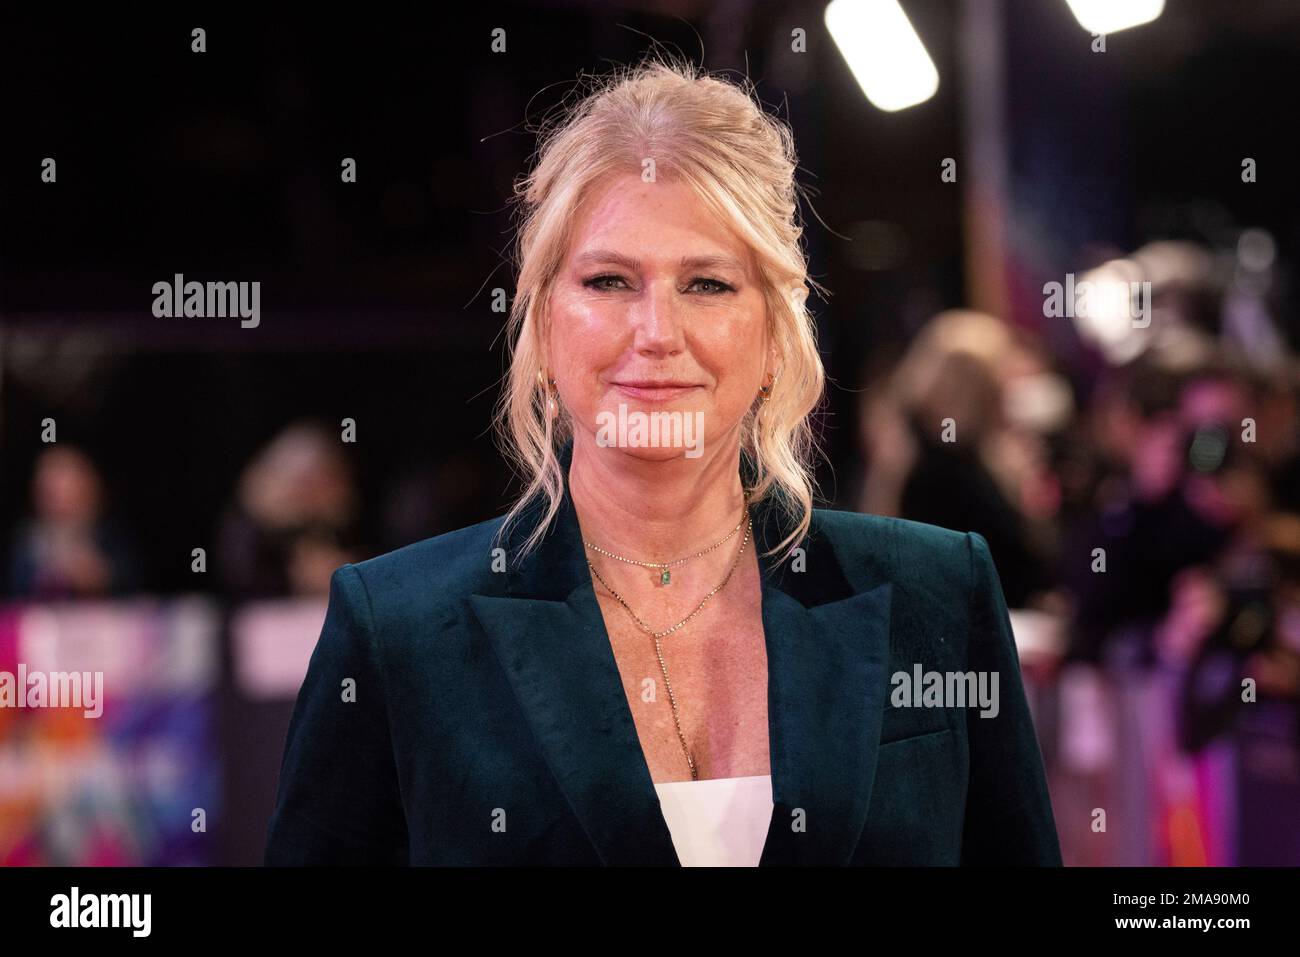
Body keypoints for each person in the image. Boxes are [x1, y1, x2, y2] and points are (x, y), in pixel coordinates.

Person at [264, 56, 1061, 866]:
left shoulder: (936, 594)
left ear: (775, 336)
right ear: (542, 329)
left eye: (708, 284)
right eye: (609, 280)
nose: (657, 332)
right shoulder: (398, 627)